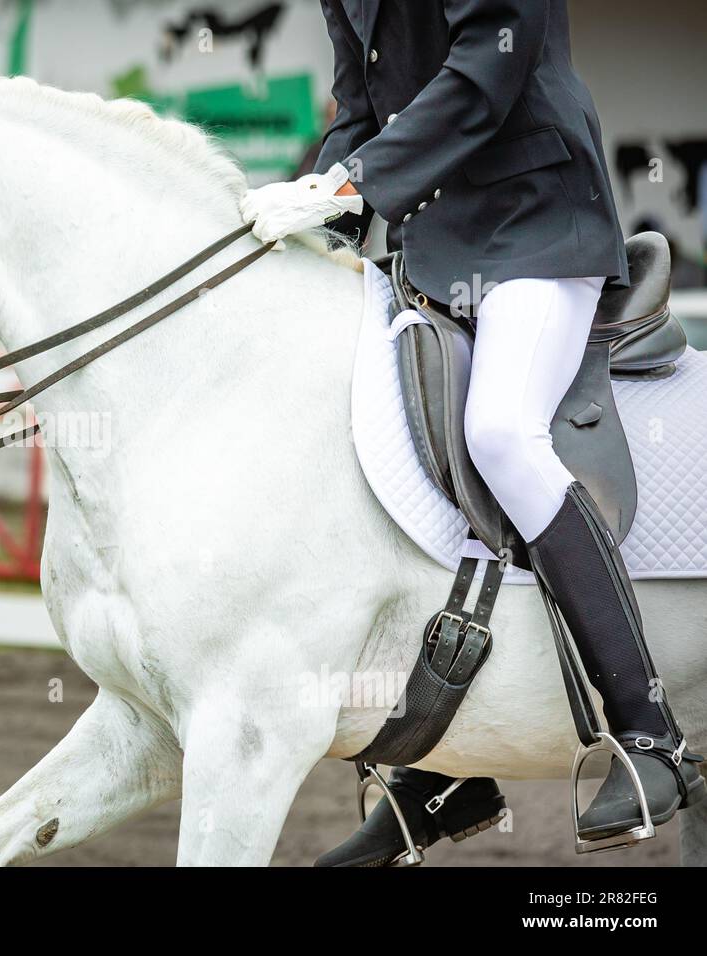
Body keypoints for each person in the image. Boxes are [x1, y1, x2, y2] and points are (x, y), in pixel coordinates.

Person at [240, 0, 703, 867]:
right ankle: (438, 774)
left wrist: (351, 185)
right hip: (433, 248)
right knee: (373, 431)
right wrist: (316, 199)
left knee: (499, 433)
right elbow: (363, 108)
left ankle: (649, 734)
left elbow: (483, 78)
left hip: (538, 228)